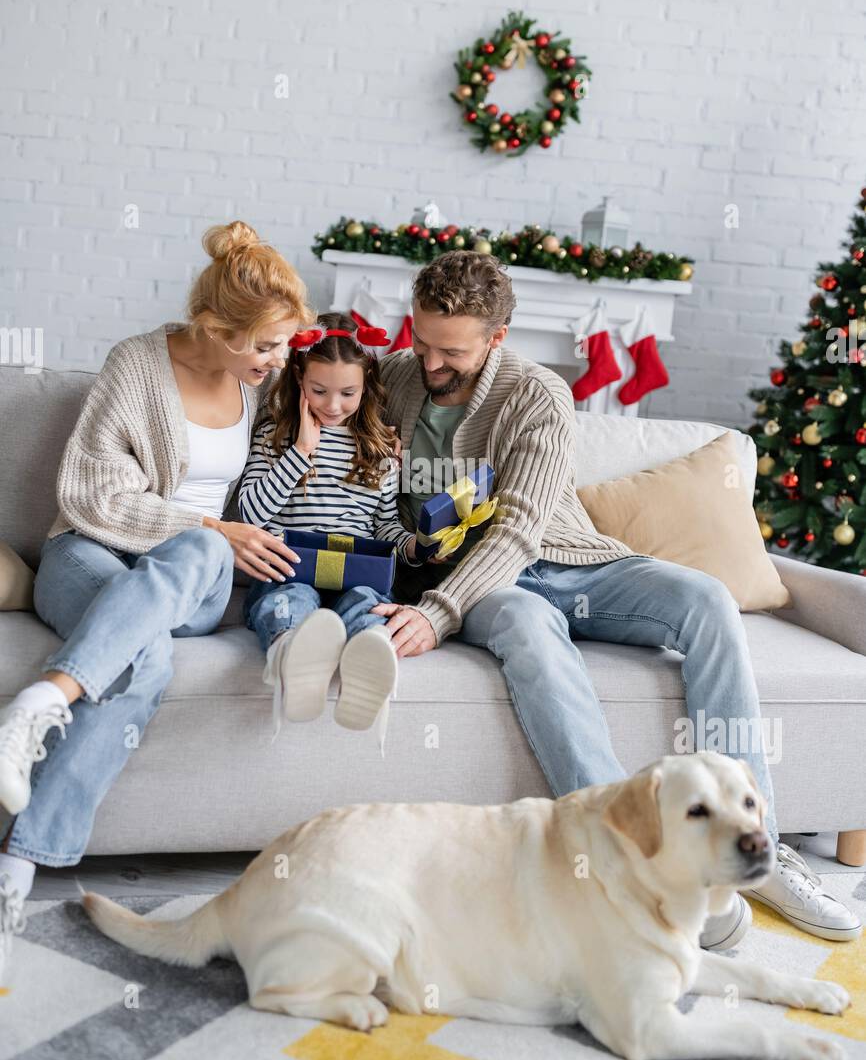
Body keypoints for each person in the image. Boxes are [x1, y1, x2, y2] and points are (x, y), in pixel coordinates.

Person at [370, 249, 862, 951]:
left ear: (497, 339)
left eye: (450, 350)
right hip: (486, 584)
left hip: (567, 559)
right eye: (419, 339)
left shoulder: (537, 394)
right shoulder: (390, 380)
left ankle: (754, 849)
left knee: (707, 601)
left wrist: (434, 614)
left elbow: (520, 528)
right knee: (532, 634)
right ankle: (626, 864)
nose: (429, 361)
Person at [0, 220, 315, 982]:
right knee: (144, 659)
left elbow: (245, 516)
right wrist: (210, 524)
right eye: (264, 347)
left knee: (204, 547)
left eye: (284, 346)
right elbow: (91, 493)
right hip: (87, 552)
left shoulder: (261, 390)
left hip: (197, 579)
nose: (277, 364)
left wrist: (225, 531)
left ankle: (42, 699)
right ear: (214, 329)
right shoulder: (136, 364)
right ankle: (21, 865)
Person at [238, 311, 423, 749]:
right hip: (288, 567)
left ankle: (368, 654)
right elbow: (250, 517)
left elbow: (384, 526)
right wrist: (301, 450)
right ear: (299, 379)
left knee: (364, 602)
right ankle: (291, 653)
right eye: (319, 391)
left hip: (355, 570)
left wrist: (413, 546)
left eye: (348, 393)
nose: (333, 405)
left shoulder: (378, 449)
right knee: (291, 601)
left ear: (367, 387)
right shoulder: (273, 437)